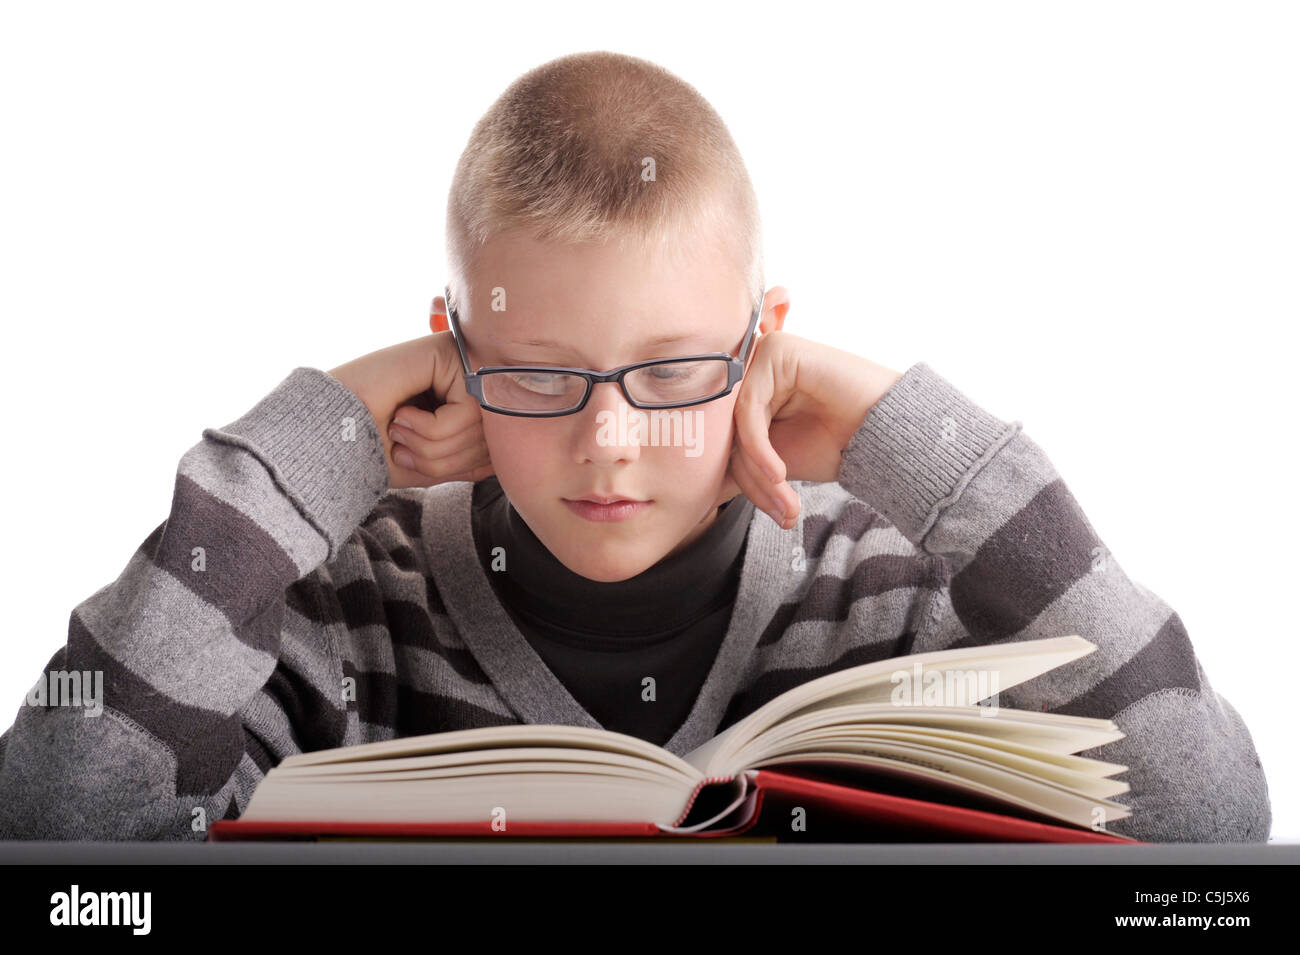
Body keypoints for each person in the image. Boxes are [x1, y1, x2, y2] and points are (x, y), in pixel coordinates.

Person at [0, 51, 1270, 842]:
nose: (608, 443)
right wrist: (311, 442)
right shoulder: (350, 606)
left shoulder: (886, 588)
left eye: (672, 372)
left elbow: (1207, 830)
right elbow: (61, 838)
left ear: (764, 343)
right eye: (540, 376)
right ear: (453, 351)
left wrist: (913, 440)